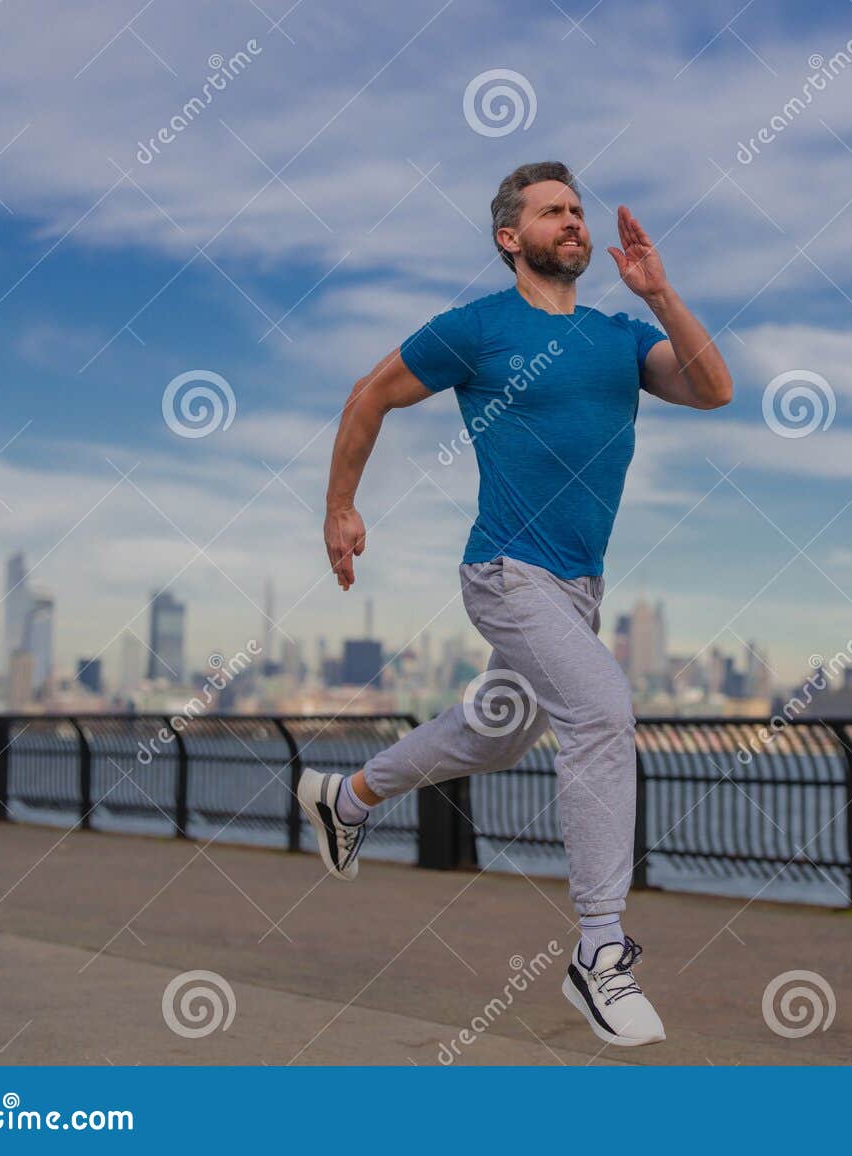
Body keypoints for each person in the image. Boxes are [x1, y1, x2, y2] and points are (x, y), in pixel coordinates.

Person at [298, 161, 732, 1047]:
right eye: (552, 212)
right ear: (511, 237)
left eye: (578, 210)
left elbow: (714, 387)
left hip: (578, 589)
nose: (572, 222)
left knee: (497, 732)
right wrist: (341, 506)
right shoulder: (477, 329)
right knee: (604, 712)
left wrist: (660, 292)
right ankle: (600, 955)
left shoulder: (620, 338)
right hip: (506, 570)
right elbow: (369, 396)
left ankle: (346, 797)